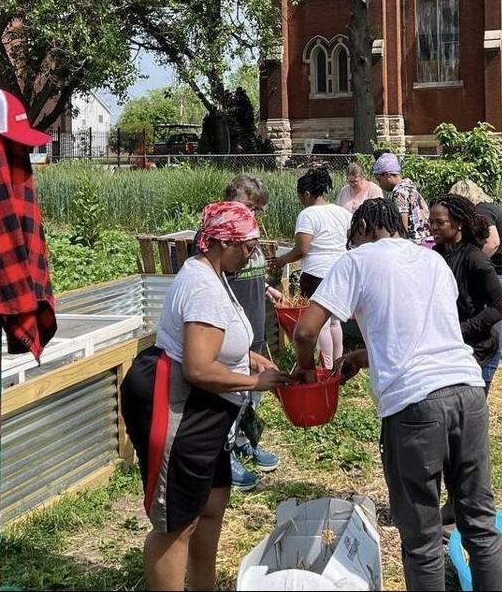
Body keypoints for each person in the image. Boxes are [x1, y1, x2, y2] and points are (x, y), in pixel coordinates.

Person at [292, 199, 502, 592]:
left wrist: (305, 367)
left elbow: (305, 331)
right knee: (479, 522)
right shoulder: (433, 262)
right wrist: (361, 355)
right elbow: (420, 337)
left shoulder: (356, 261)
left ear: (362, 231)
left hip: (415, 408)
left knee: (423, 538)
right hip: (467, 390)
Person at [121, 201, 291, 592]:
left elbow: (214, 340)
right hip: (179, 404)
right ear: (222, 243)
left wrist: (248, 358)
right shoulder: (203, 287)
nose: (251, 254)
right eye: (247, 246)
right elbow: (197, 367)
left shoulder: (212, 273)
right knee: (177, 522)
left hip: (209, 410)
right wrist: (253, 383)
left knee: (211, 504)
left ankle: (204, 585)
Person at [217, 174, 284, 490]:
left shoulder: (250, 237)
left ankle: (244, 441)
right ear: (230, 201)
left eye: (258, 209)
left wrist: (268, 288)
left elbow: (251, 274)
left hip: (253, 331)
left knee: (252, 397)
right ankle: (224, 454)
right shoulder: (221, 239)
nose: (253, 213)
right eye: (248, 206)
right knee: (231, 398)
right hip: (229, 343)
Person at [268, 167, 352, 368]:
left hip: (316, 273)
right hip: (340, 272)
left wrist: (281, 261)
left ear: (306, 194)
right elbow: (349, 239)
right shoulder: (342, 212)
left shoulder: (308, 215)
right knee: (334, 321)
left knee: (319, 323)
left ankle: (327, 366)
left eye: (300, 197)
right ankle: (338, 365)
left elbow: (302, 249)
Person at [429, 194, 502, 390]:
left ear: (458, 224)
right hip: (451, 348)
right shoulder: (435, 255)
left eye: (440, 222)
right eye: (430, 222)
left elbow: (499, 308)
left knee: (473, 415)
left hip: (479, 351)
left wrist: (460, 329)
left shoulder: (476, 259)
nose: (433, 227)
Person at [450, 180, 502, 361]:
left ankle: (501, 353)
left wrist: (476, 263)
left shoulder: (482, 211)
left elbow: (492, 243)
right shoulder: (485, 208)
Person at [372, 152, 431, 244]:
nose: (380, 185)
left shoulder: (400, 193)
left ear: (387, 175)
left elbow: (402, 227)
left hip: (414, 244)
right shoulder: (410, 189)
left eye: (379, 180)